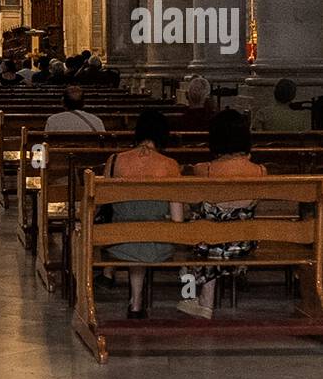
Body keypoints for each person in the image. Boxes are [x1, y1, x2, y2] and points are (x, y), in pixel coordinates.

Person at [177, 109, 267, 320]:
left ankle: (190, 296)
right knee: (214, 236)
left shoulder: (204, 169)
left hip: (208, 245)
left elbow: (193, 202)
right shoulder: (260, 171)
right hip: (242, 244)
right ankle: (204, 301)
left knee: (187, 250)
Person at [105, 110, 184, 318]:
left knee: (134, 234)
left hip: (118, 239)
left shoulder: (114, 161)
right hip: (158, 241)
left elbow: (104, 203)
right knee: (148, 235)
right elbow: (178, 219)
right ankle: (189, 294)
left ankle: (136, 301)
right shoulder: (170, 165)